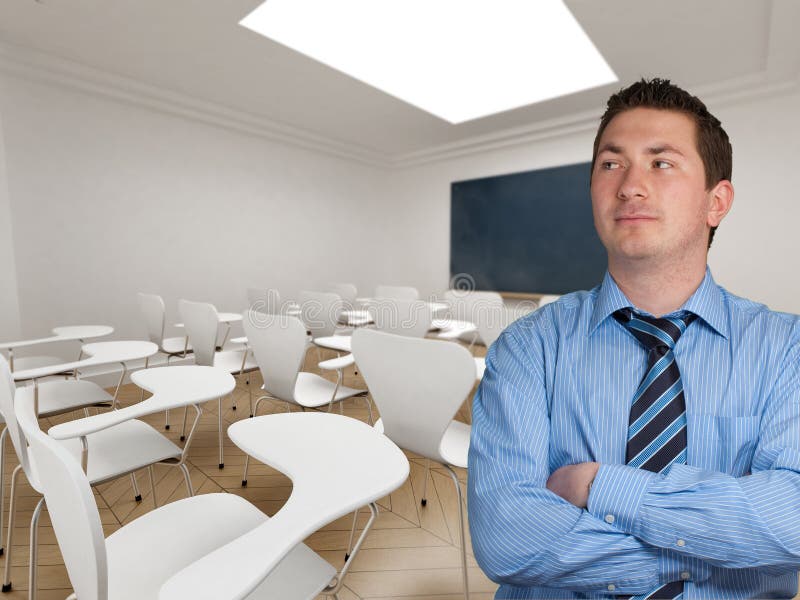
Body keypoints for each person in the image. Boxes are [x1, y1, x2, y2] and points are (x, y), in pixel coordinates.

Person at [468, 78, 800, 599]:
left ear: (717, 202)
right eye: (610, 163)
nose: (628, 185)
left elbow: (793, 521)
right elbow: (506, 538)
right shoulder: (528, 347)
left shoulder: (787, 349)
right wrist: (709, 555)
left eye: (661, 162)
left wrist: (602, 487)